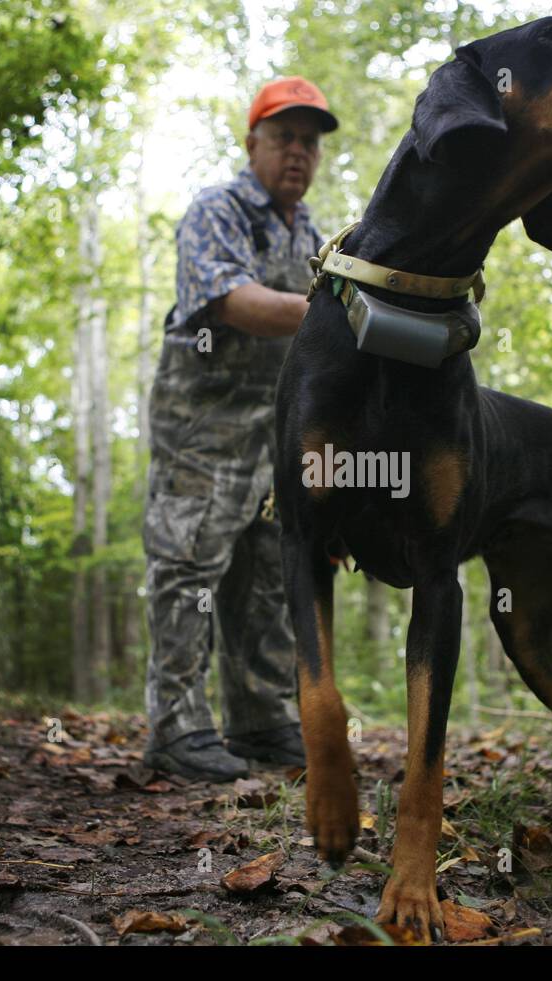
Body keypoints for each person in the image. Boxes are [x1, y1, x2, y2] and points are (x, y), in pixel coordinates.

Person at [141, 77, 339, 782]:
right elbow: (232, 300)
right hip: (203, 429)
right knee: (189, 564)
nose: (298, 153)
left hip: (274, 434)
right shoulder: (216, 210)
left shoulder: (311, 232)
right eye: (284, 137)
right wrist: (336, 309)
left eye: (310, 143)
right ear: (252, 142)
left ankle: (260, 718)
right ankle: (176, 726)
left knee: (264, 574)